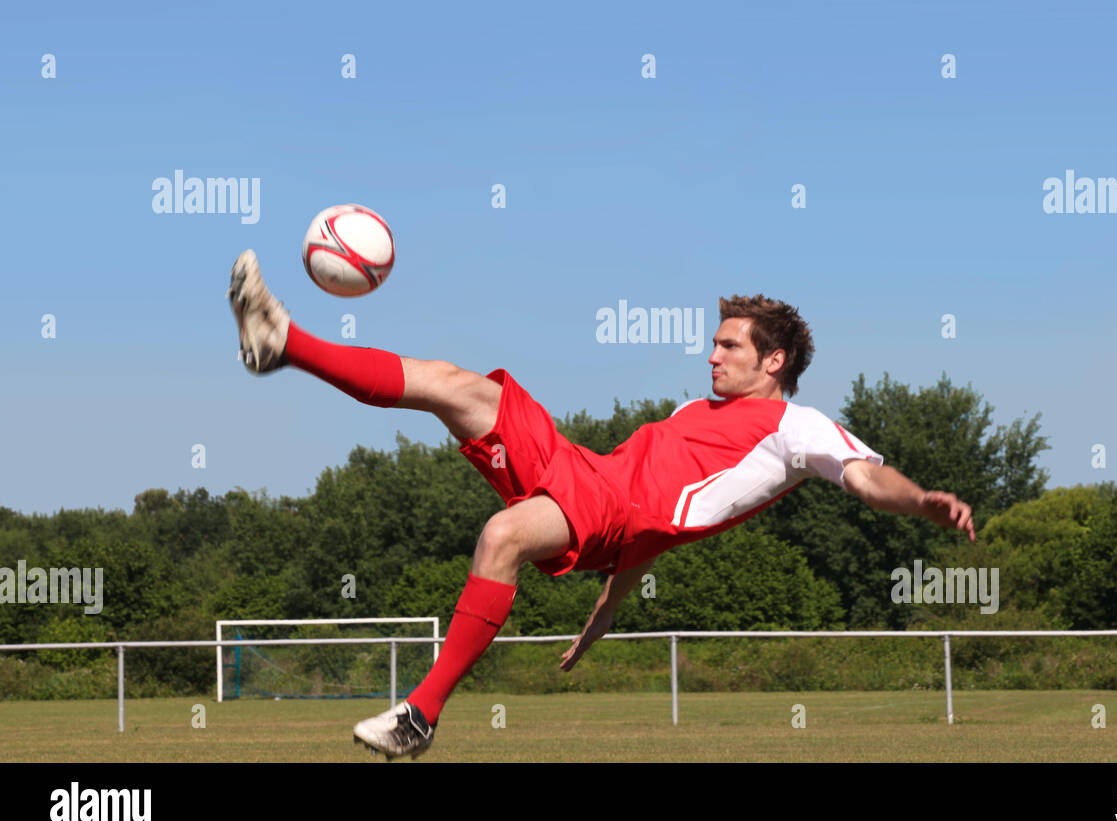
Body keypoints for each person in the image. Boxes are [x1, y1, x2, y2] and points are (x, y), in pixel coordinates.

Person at [227, 249, 975, 759]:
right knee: (458, 387)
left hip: (602, 506)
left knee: (502, 534)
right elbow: (656, 532)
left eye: (729, 348)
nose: (711, 356)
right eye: (712, 345)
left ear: (773, 362)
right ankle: (283, 343)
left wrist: (920, 503)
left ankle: (420, 714)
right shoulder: (694, 413)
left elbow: (866, 478)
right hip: (584, 472)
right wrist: (605, 613)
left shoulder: (796, 428)